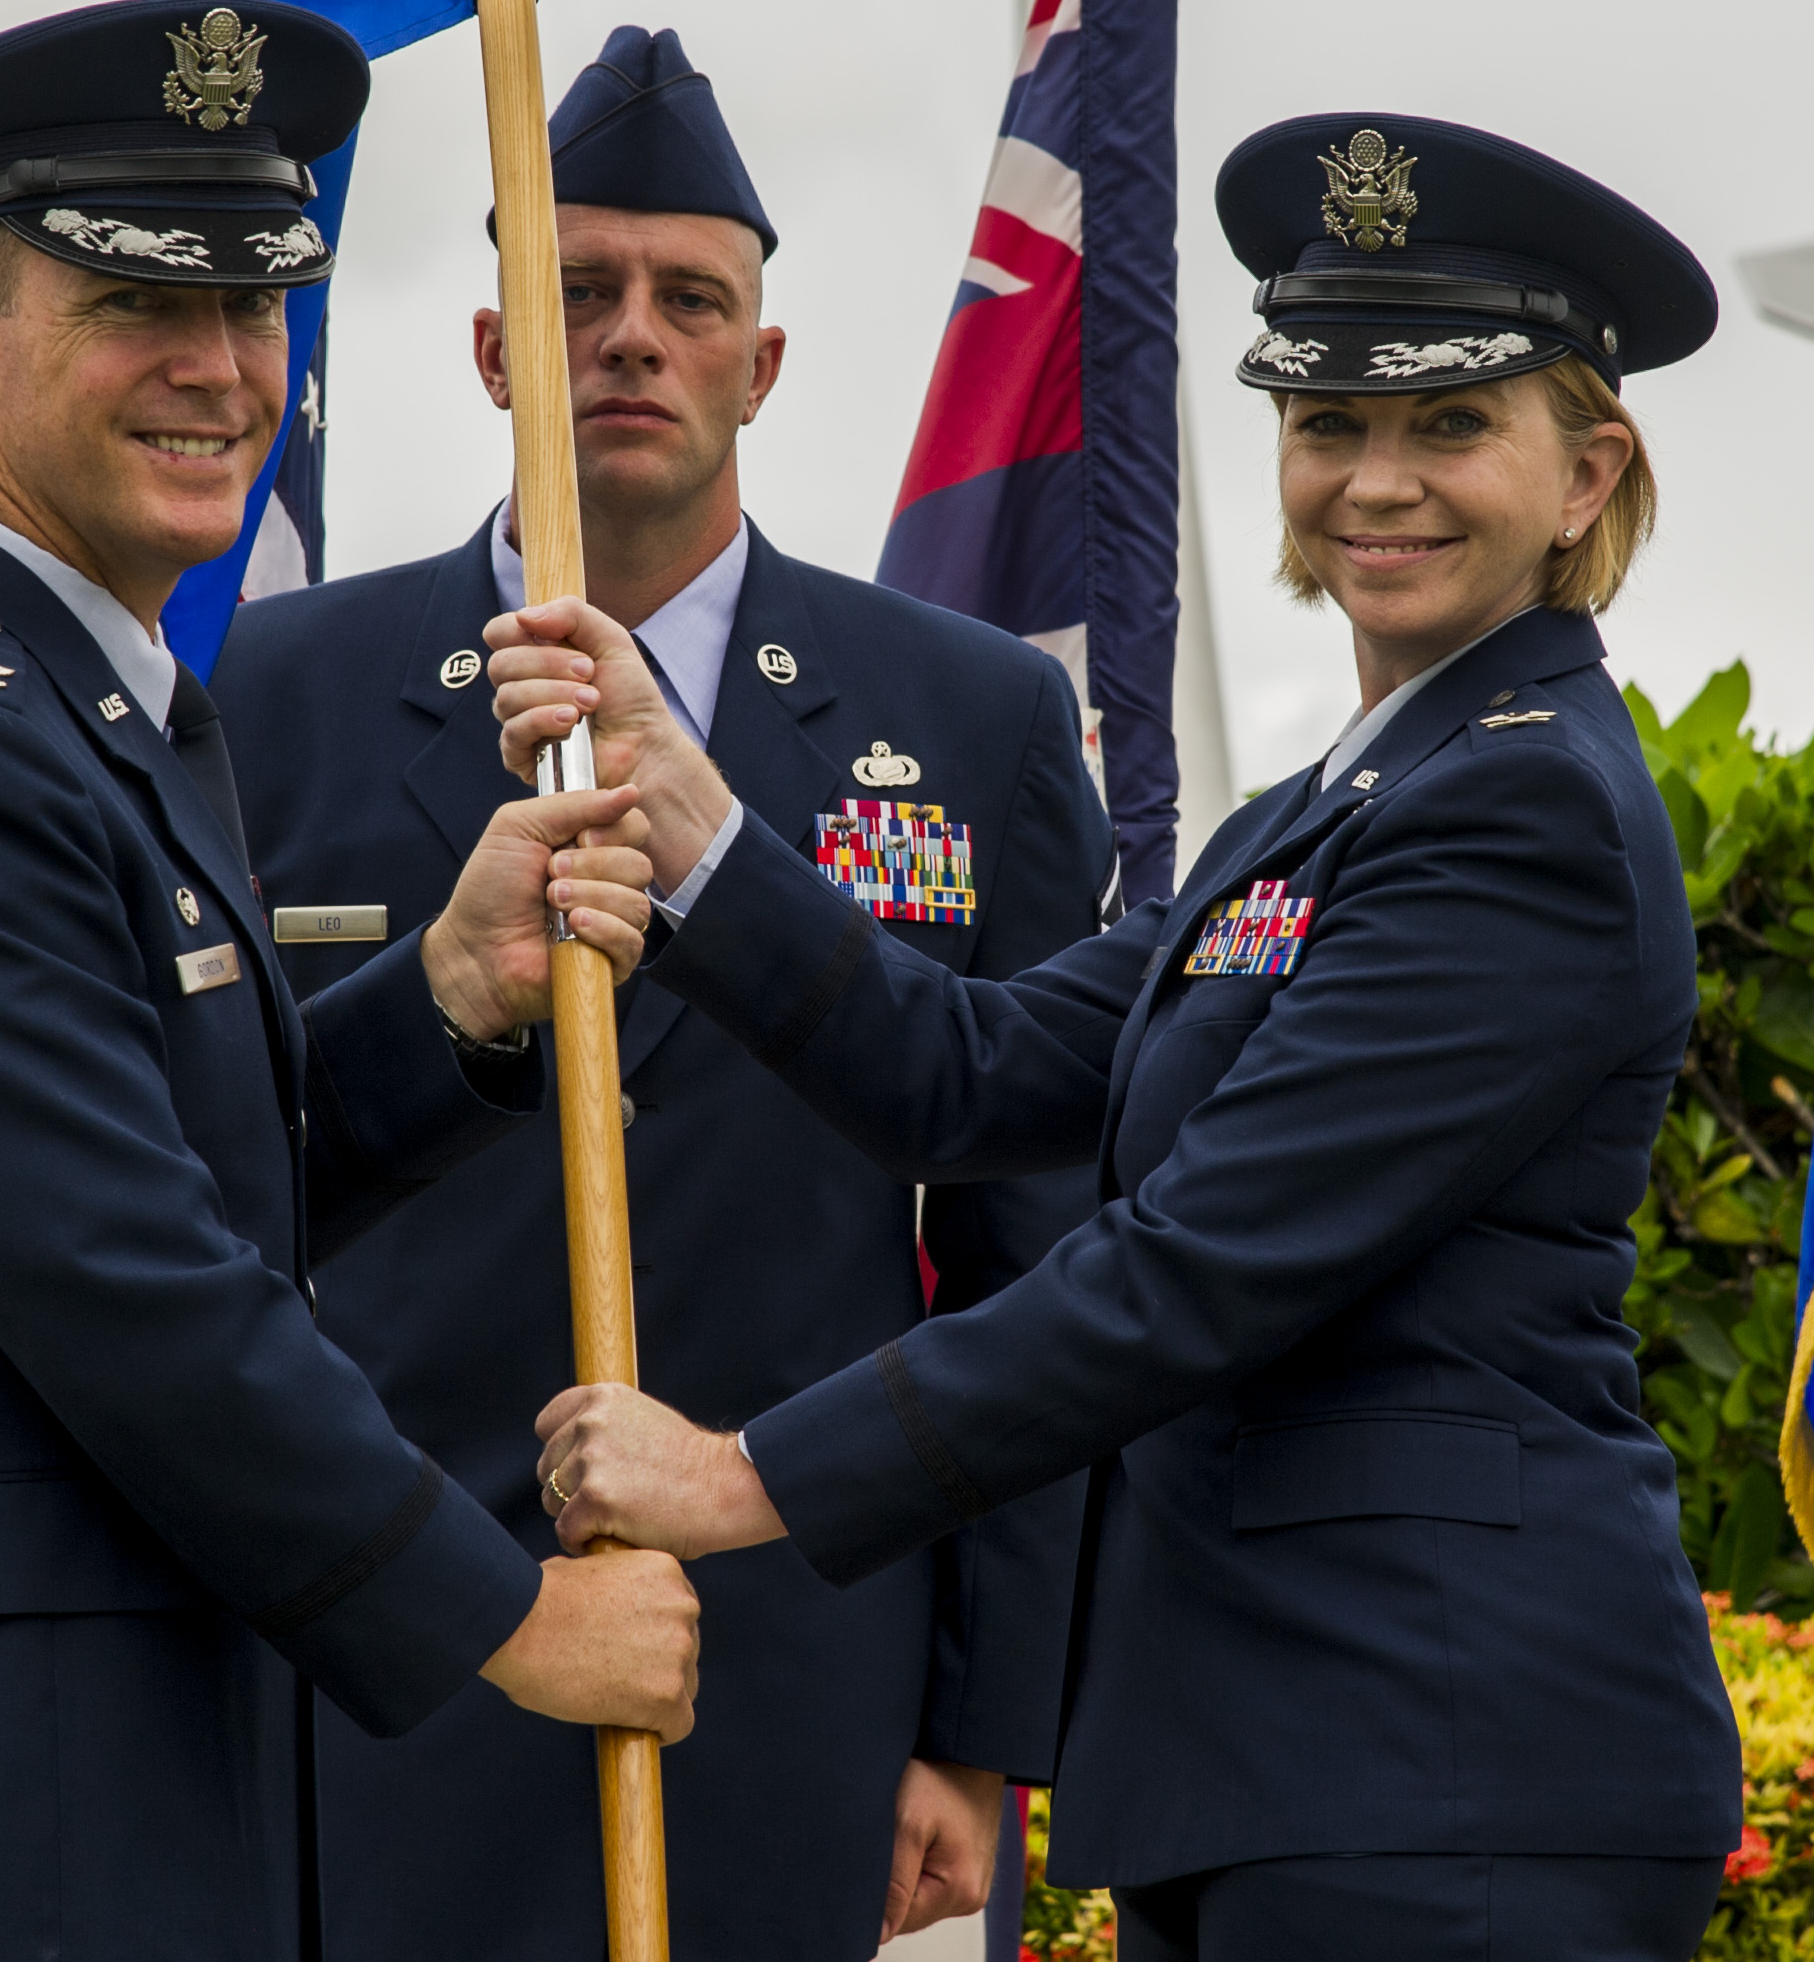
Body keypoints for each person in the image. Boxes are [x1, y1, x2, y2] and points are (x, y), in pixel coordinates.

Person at [505, 116, 1748, 1962]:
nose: (1374, 482)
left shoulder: (1522, 814)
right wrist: (699, 840)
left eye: (1447, 424)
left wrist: (741, 1477)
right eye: (1327, 424)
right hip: (1287, 1771)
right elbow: (969, 1069)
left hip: (1447, 1769)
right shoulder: (1321, 813)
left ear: (1586, 474)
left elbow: (1198, 1268)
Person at [0, 0, 701, 1962]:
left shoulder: (90, 708)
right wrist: (511, 1616)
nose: (221, 370)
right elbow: (137, 1299)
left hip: (98, 1786)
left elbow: (184, 1175)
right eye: (142, 305)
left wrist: (444, 998)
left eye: (254, 307)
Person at [215, 25, 1111, 1960]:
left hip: (814, 1681)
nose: (630, 337)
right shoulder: (270, 700)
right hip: (391, 1673)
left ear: (760, 364)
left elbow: (1041, 1252)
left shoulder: (967, 717)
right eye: (579, 295)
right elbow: (216, 1179)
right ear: (490, 352)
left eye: (687, 299)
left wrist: (978, 1732)